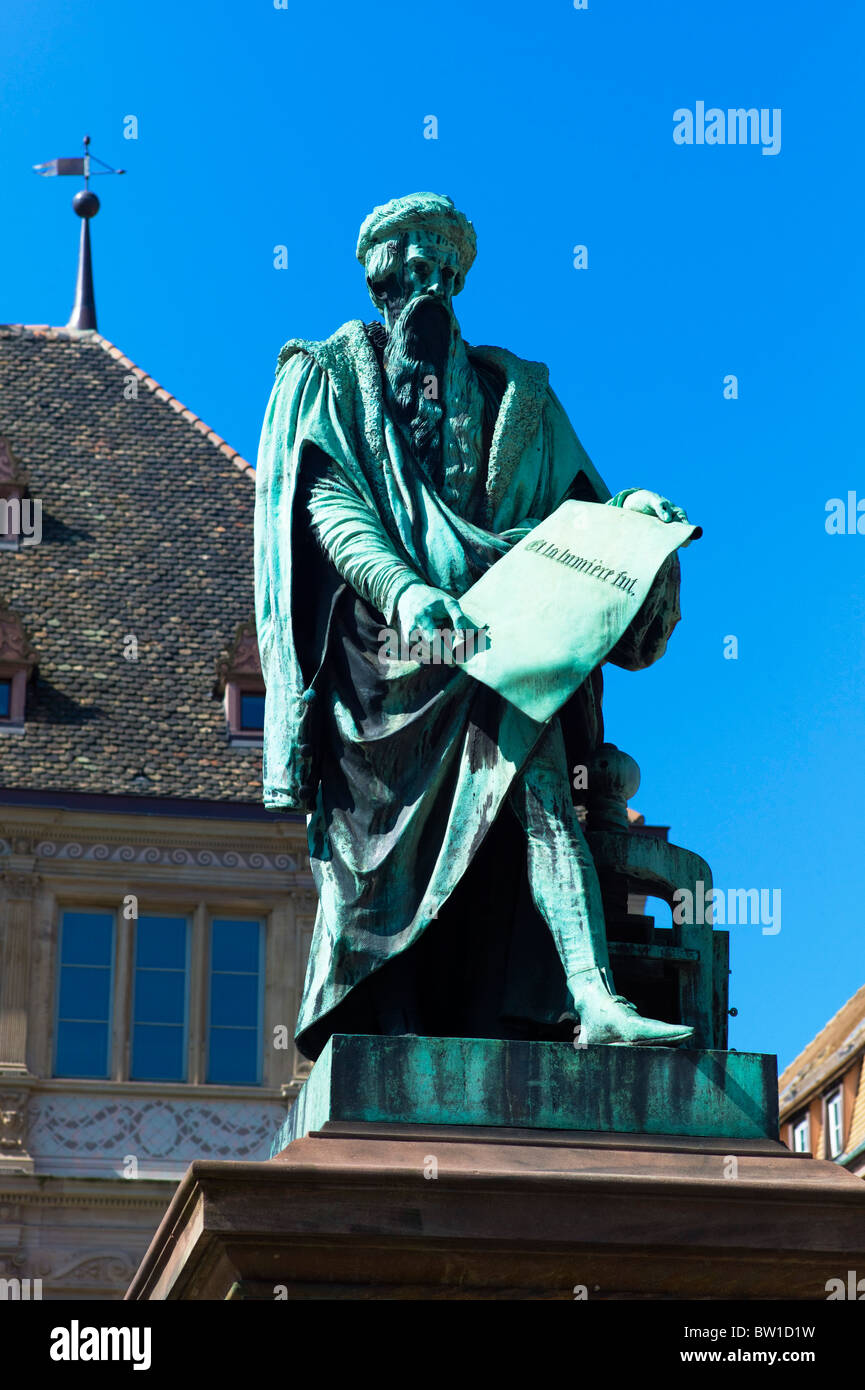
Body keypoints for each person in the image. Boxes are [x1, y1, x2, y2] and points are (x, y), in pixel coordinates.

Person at [254, 192, 693, 1060]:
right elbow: (329, 503)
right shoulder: (329, 372)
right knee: (383, 850)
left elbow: (584, 515)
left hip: (501, 634)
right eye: (408, 259)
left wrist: (632, 511)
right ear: (376, 272)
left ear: (459, 274)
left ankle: (590, 995)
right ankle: (391, 1025)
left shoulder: (516, 390)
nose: (427, 276)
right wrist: (407, 591)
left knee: (532, 773)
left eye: (442, 262)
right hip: (383, 653)